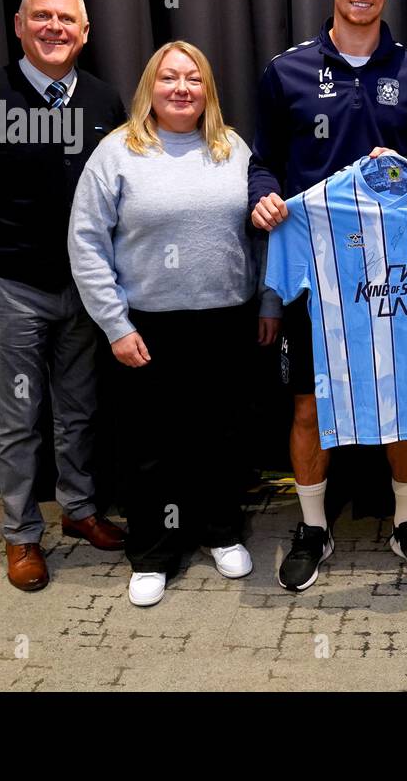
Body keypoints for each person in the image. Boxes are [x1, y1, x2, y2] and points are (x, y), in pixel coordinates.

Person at [247, 0, 407, 590]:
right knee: (310, 405)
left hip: (399, 274)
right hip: (317, 273)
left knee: (406, 401)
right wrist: (263, 197)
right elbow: (263, 163)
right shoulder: (287, 72)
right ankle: (313, 527)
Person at [68, 41, 281, 607]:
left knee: (222, 435)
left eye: (194, 78)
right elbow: (86, 243)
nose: (182, 88)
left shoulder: (231, 148)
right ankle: (155, 552)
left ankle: (221, 531)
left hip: (227, 320)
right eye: (169, 78)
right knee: (150, 446)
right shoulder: (117, 153)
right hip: (148, 327)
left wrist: (268, 303)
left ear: (208, 90)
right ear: (150, 88)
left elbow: (261, 235)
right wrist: (114, 324)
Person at [0, 0, 128, 592]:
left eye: (66, 19)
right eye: (41, 17)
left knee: (80, 410)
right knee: (18, 417)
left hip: (87, 289)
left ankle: (78, 511)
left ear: (85, 31)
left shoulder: (104, 100)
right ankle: (21, 537)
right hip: (14, 286)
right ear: (19, 26)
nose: (54, 28)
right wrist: (4, 241)